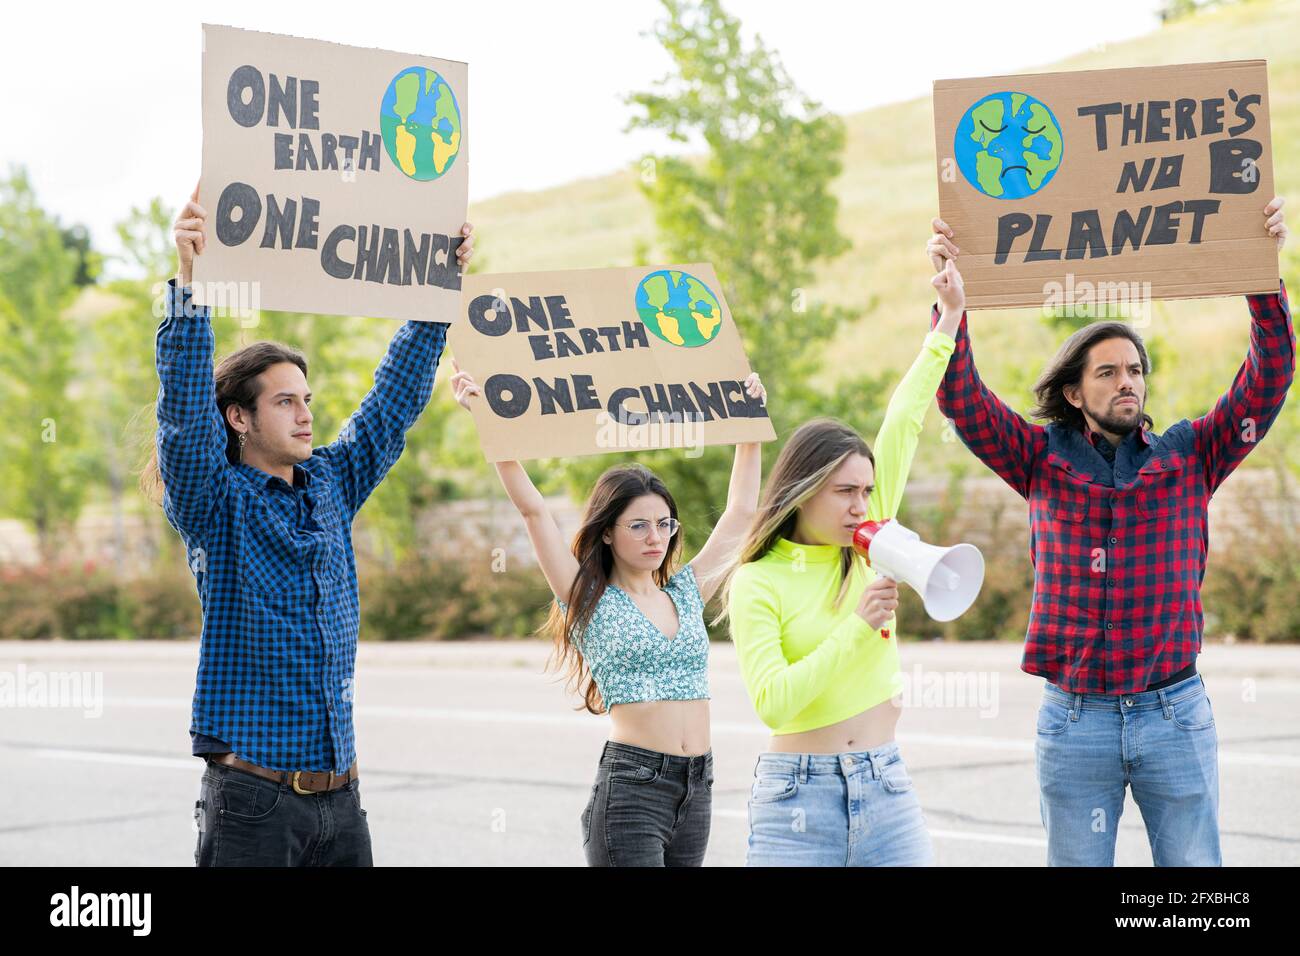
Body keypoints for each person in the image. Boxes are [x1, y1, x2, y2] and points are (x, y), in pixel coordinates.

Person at [924, 197, 1293, 866]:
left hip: (1174, 714)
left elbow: (1268, 383)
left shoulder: (1191, 454)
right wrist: (952, 305)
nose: (1129, 382)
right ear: (1073, 391)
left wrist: (1260, 275)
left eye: (1136, 370)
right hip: (1075, 722)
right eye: (1109, 372)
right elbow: (963, 401)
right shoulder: (1037, 459)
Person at [145, 183, 474, 866]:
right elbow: (182, 412)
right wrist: (190, 280)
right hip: (252, 806)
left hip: (343, 804)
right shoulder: (215, 499)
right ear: (239, 417)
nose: (305, 414)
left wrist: (441, 288)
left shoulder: (331, 482)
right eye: (285, 402)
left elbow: (392, 404)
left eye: (308, 400)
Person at [450, 360, 766, 866]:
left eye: (664, 524)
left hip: (699, 785)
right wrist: (488, 421)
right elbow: (534, 510)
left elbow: (741, 513)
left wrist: (749, 426)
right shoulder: (587, 597)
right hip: (633, 791)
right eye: (638, 525)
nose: (655, 537)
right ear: (606, 532)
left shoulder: (684, 591)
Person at [719, 260, 965, 866]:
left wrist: (950, 320)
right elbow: (775, 703)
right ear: (804, 492)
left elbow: (904, 417)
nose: (863, 506)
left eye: (867, 489)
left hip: (885, 783)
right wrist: (858, 626)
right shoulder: (758, 579)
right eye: (845, 492)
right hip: (796, 797)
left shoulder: (870, 537)